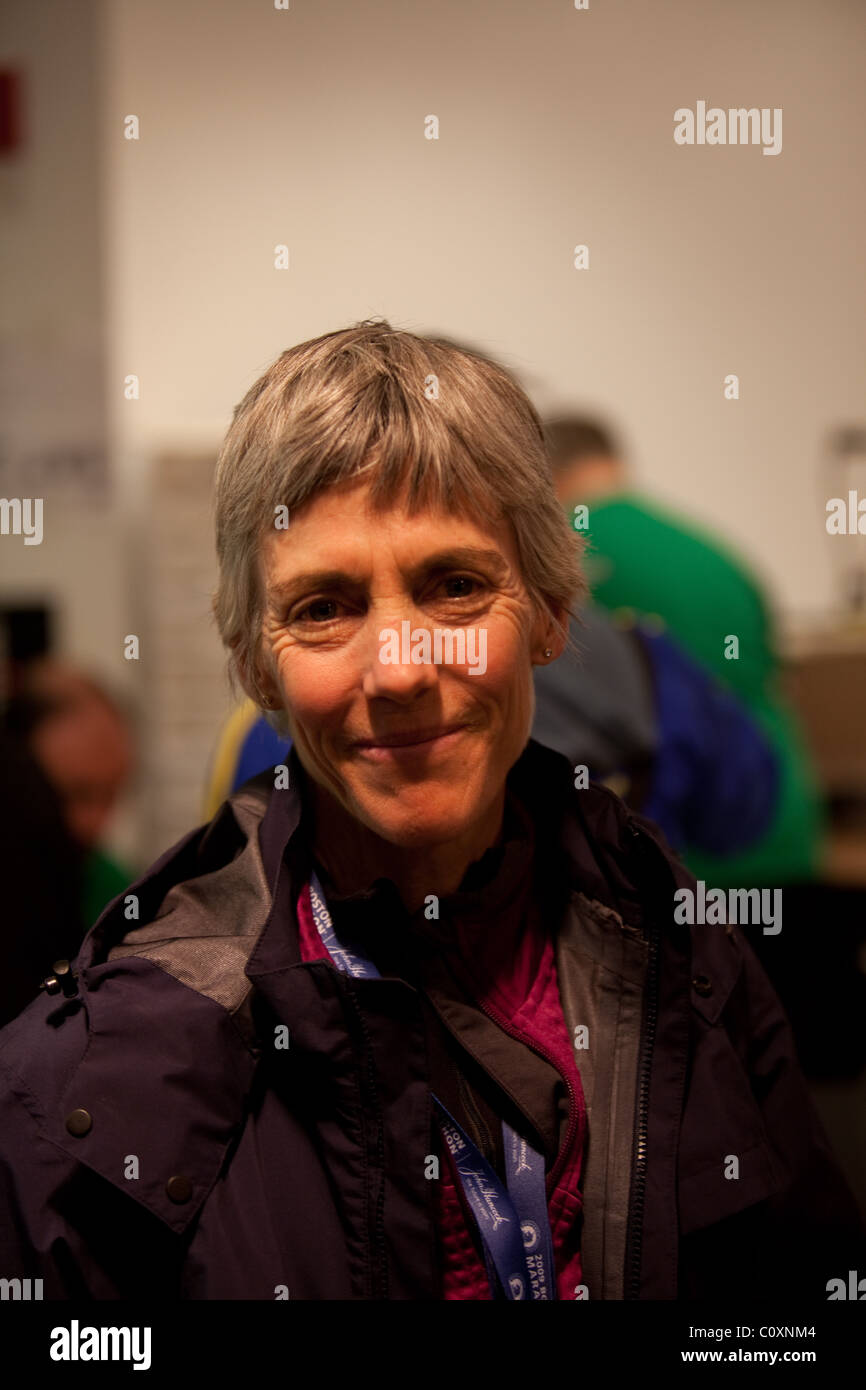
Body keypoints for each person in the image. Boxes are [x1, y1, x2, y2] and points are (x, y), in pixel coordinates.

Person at [0, 321, 861, 1301]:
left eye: (453, 586)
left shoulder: (687, 958)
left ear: (544, 612)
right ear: (252, 661)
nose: (402, 669)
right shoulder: (92, 1081)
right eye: (323, 606)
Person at [544, 416, 825, 887]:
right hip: (784, 822)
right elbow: (779, 681)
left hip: (691, 855)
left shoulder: (566, 550)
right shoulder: (712, 550)